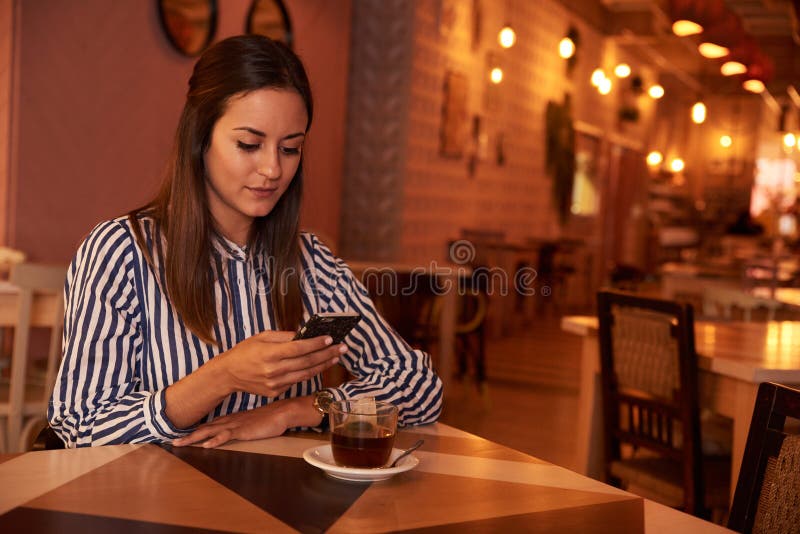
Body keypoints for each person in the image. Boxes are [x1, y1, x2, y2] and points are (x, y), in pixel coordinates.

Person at [49, 35, 443, 448]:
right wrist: (222, 376)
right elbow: (81, 427)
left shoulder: (311, 263)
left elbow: (418, 386)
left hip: (280, 503)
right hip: (159, 501)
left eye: (290, 148)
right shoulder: (121, 253)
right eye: (249, 145)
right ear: (200, 139)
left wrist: (291, 410)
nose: (272, 168)